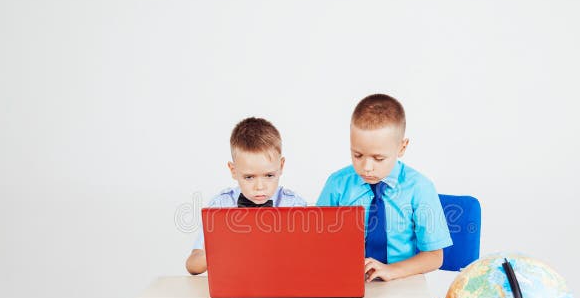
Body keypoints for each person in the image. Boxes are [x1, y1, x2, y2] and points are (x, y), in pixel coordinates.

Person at [317, 93, 452, 282]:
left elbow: (434, 257)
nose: (366, 167)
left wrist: (391, 270)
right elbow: (317, 241)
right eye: (357, 155)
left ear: (402, 148)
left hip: (400, 281)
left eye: (378, 158)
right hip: (347, 280)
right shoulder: (337, 184)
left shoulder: (419, 188)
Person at [185, 117, 306, 275]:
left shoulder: (294, 205)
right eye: (249, 177)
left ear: (281, 166)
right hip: (234, 284)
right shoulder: (221, 205)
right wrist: (222, 248)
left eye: (269, 175)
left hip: (281, 282)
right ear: (233, 171)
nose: (260, 187)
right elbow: (192, 265)